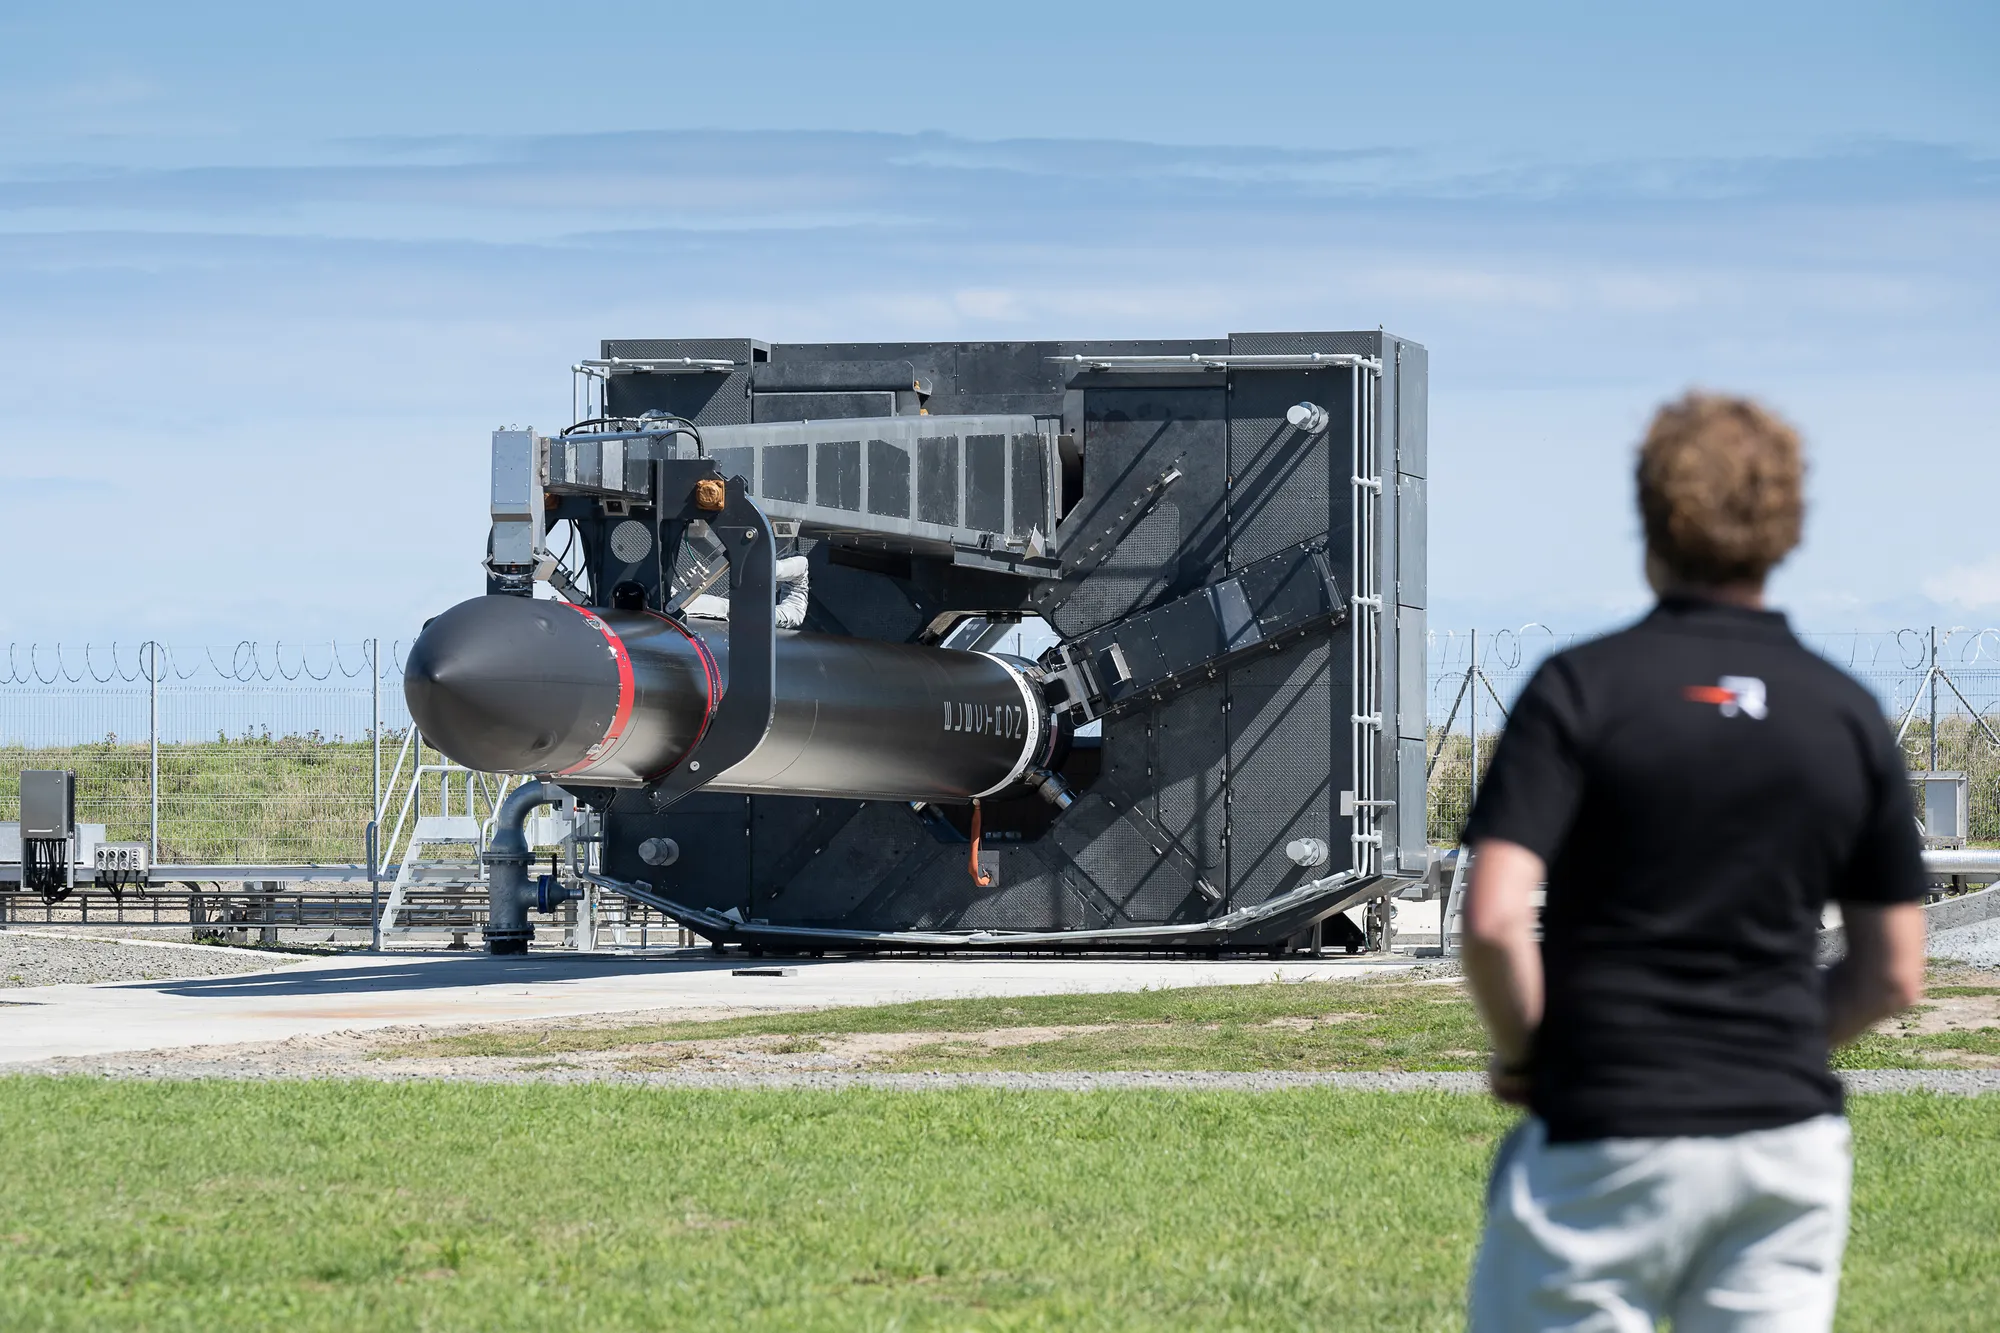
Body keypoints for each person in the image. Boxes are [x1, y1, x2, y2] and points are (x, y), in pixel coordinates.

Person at [1459, 392, 1927, 1332]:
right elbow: (1894, 974)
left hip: (1609, 1127)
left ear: (1650, 516)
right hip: (1784, 1144)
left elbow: (1496, 918)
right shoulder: (1845, 714)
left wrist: (1534, 1053)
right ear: (1788, 525)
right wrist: (1771, 1041)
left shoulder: (1579, 691)